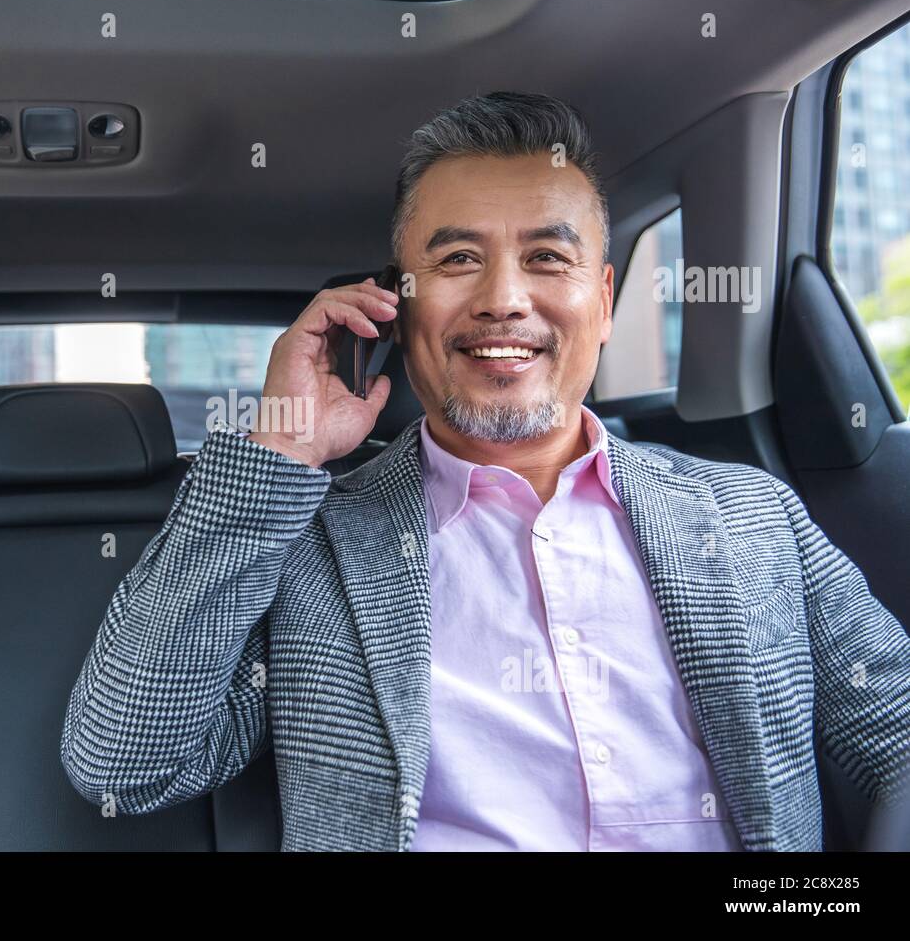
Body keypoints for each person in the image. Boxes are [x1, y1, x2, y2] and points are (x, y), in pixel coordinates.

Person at [60, 91, 910, 851]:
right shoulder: (306, 549)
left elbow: (898, 737)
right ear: (396, 304)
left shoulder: (751, 515)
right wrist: (281, 447)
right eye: (458, 259)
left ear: (605, 302)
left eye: (547, 257)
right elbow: (122, 762)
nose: (504, 297)